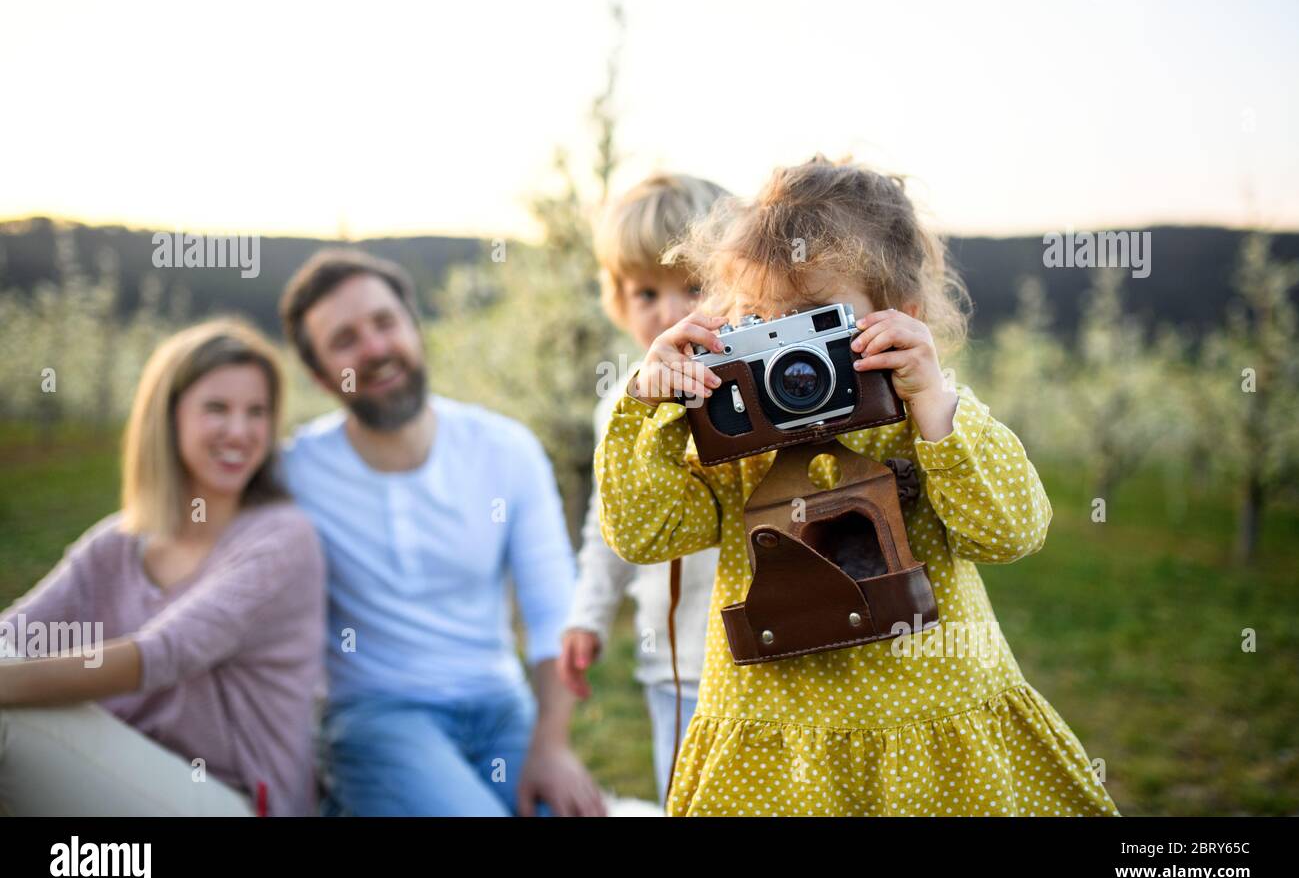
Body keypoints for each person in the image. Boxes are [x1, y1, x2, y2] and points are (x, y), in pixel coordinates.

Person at [594, 155, 1122, 816]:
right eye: (761, 324)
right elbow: (646, 536)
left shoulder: (926, 416)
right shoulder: (735, 438)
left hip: (930, 738)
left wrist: (935, 413)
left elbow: (1012, 532)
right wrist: (656, 409)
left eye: (815, 323)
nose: (791, 362)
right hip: (779, 753)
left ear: (900, 316)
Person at [279, 248, 605, 816]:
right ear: (318, 375)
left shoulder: (505, 450)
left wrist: (551, 747)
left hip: (503, 708)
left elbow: (554, 612)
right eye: (345, 339)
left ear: (414, 327)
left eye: (385, 323)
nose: (376, 349)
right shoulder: (296, 472)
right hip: (378, 717)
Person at [0, 319, 325, 816]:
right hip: (121, 771)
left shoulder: (282, 538)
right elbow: (14, 635)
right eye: (217, 408)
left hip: (239, 800)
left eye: (256, 412)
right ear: (167, 416)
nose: (240, 431)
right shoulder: (118, 542)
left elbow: (165, 652)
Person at [557, 173, 728, 805]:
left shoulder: (756, 386)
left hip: (766, 657)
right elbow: (608, 526)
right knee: (683, 794)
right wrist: (588, 614)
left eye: (694, 285)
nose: (670, 312)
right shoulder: (620, 405)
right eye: (645, 293)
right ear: (617, 300)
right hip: (675, 668)